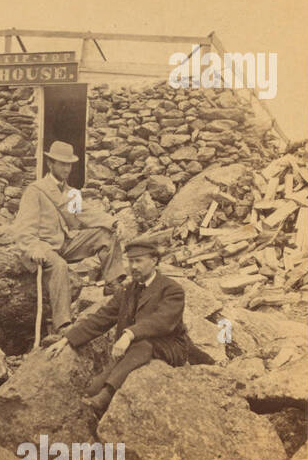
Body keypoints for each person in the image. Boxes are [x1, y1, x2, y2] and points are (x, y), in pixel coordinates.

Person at [45, 239, 196, 416]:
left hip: (170, 345)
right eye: (130, 261)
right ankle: (99, 393)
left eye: (138, 261)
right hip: (133, 347)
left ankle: (107, 395)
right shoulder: (128, 290)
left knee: (142, 345)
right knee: (92, 389)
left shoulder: (171, 289)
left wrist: (129, 334)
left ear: (154, 261)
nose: (133, 266)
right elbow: (102, 317)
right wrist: (66, 340)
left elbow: (161, 321)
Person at [11, 140, 125, 343]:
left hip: (65, 244)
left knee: (105, 234)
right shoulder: (36, 191)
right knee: (59, 266)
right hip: (43, 247)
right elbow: (23, 229)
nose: (66, 168)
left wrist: (113, 221)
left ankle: (113, 282)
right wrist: (33, 247)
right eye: (61, 163)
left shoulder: (70, 192)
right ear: (50, 164)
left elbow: (87, 213)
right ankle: (62, 325)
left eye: (69, 164)